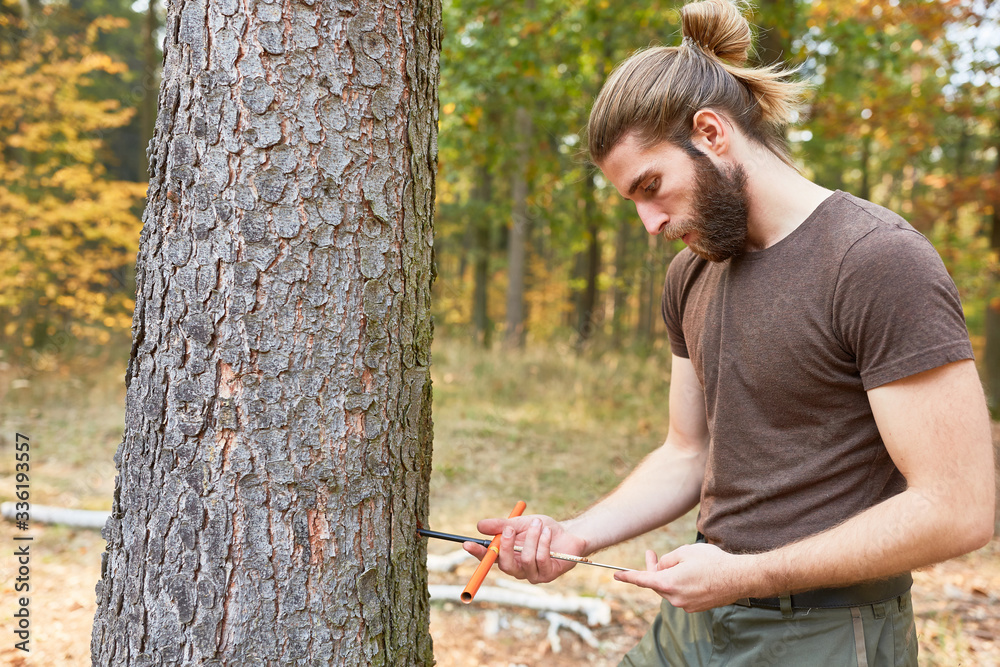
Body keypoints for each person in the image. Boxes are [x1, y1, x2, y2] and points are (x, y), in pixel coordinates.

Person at [463, 0, 996, 664]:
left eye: (653, 186)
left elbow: (960, 506)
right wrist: (571, 537)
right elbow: (685, 453)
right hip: (697, 625)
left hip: (826, 634)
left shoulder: (875, 261)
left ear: (711, 132)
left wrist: (748, 574)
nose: (650, 223)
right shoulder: (692, 274)